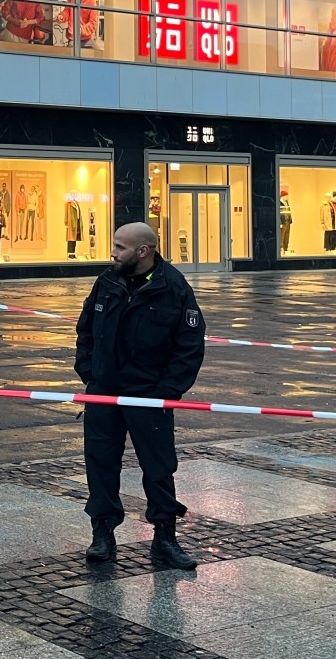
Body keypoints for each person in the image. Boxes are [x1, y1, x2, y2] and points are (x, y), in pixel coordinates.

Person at [74, 222, 205, 569]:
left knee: (158, 468)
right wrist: (90, 372)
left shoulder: (172, 287)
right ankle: (102, 534)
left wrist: (166, 392)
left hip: (150, 396)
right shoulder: (106, 282)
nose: (113, 253)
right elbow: (85, 329)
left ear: (143, 251)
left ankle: (165, 537)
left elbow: (189, 347)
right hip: (104, 394)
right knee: (100, 464)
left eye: (120, 247)